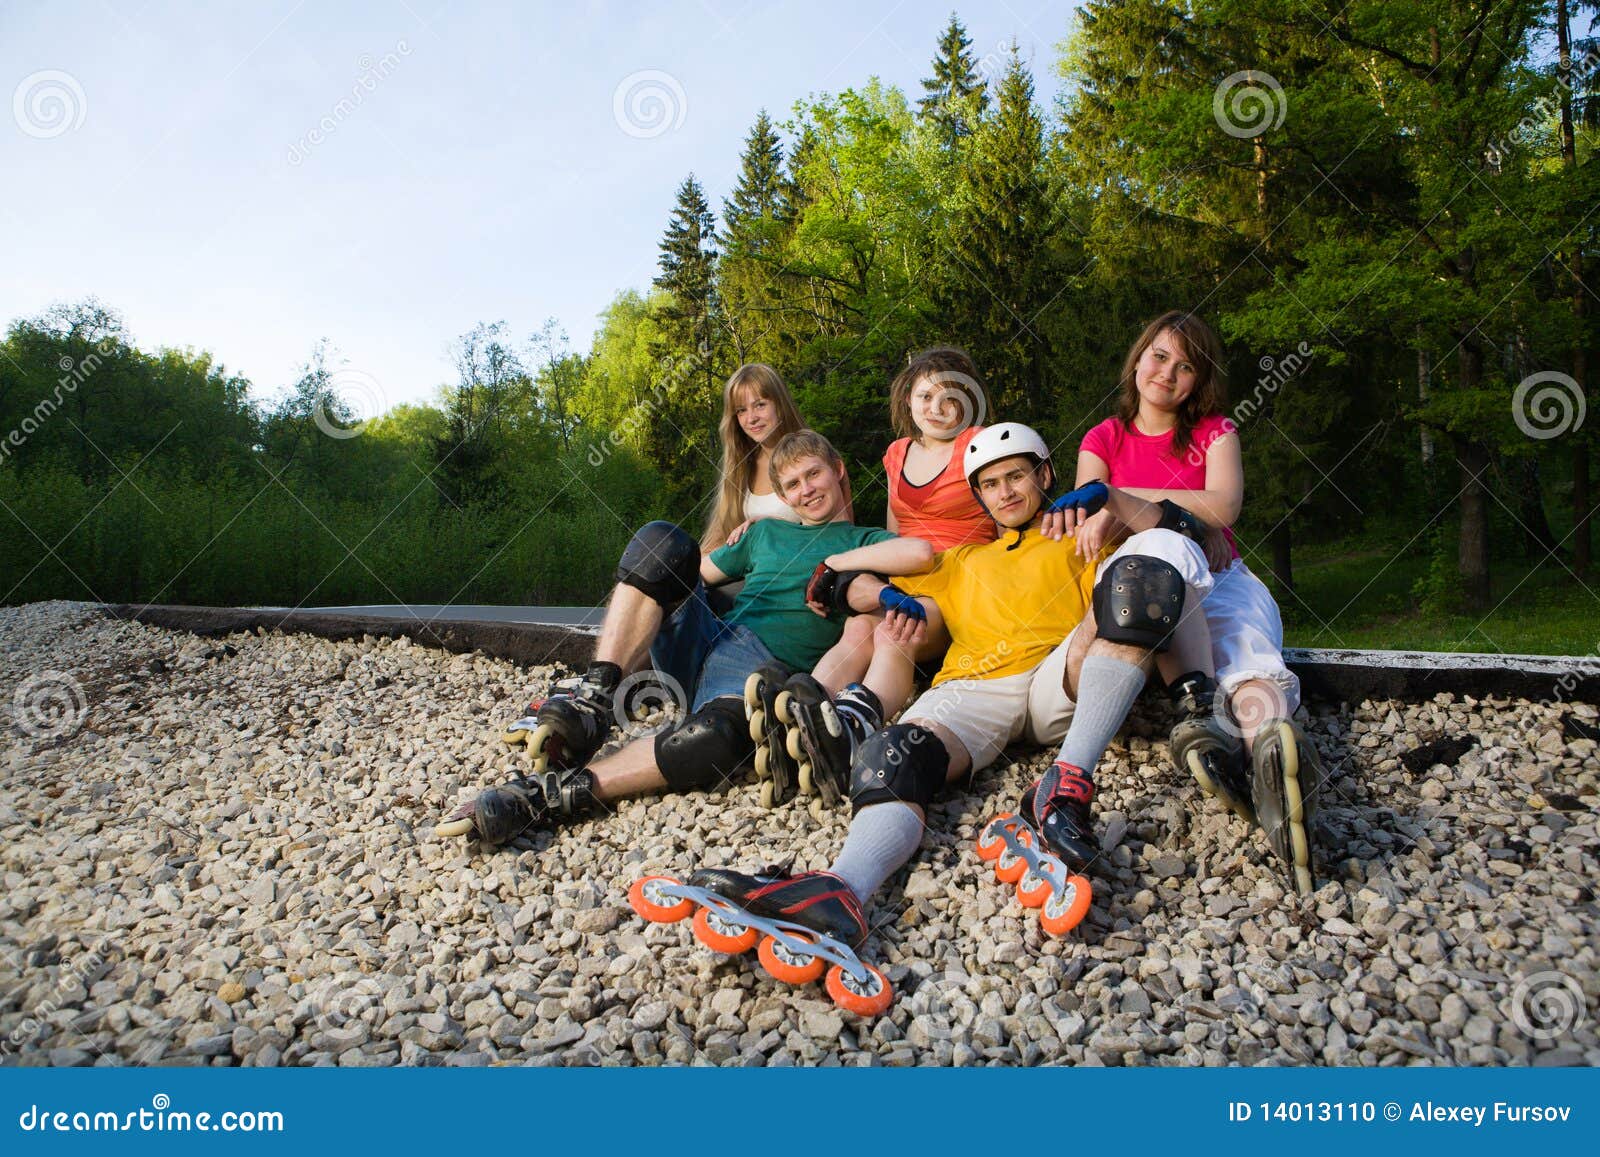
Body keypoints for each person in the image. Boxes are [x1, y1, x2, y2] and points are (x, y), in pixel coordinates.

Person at [688, 422, 1226, 946]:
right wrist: (856, 581)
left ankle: (1064, 790)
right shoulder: (961, 558)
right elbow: (856, 590)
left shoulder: (1081, 537)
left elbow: (1183, 538)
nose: (1004, 492)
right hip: (974, 688)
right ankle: (842, 889)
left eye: (1015, 476)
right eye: (989, 484)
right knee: (893, 754)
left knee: (1142, 576)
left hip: (1060, 675)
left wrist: (1111, 497)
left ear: (1045, 475)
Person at [436, 430, 933, 847]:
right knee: (662, 541)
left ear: (838, 470)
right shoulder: (762, 535)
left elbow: (920, 552)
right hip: (704, 638)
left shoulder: (864, 541)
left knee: (713, 741)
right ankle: (595, 696)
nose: (807, 490)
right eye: (793, 484)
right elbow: (682, 574)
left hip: (757, 675)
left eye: (814, 475)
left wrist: (839, 564)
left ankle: (550, 795)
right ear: (781, 495)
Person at [1062, 309, 1321, 896]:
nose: (1168, 374)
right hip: (1141, 590)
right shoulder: (1104, 436)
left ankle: (1272, 758)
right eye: (1159, 356)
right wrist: (1171, 513)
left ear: (1199, 382)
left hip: (1221, 573)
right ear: (1137, 358)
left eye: (1186, 367)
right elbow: (1098, 524)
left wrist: (1123, 499)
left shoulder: (1216, 432)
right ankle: (1217, 726)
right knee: (1158, 545)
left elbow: (1224, 509)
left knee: (1250, 650)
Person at [750, 348, 993, 807]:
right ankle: (806, 714)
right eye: (924, 395)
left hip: (964, 577)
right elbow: (892, 531)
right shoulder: (897, 454)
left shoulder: (980, 444)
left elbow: (1005, 524)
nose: (936, 406)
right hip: (907, 571)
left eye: (949, 394)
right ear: (907, 401)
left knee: (893, 632)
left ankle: (854, 726)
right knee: (858, 626)